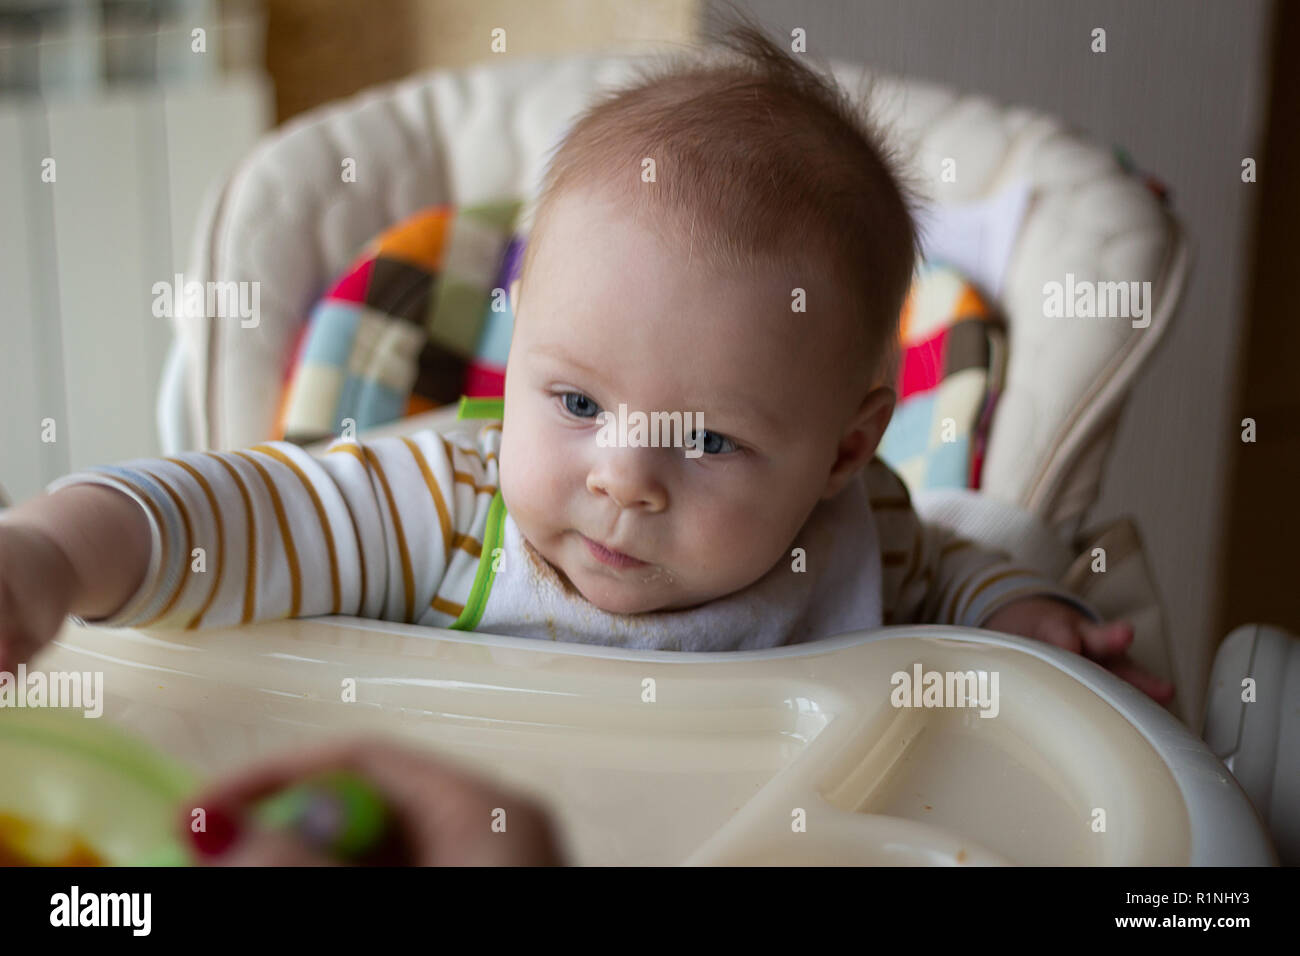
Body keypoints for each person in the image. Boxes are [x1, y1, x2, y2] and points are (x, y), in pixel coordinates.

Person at [0, 26, 1172, 703]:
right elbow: (237, 514)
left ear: (847, 448)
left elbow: (945, 577)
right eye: (572, 400)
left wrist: (1021, 613)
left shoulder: (859, 532)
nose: (623, 478)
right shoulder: (449, 507)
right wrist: (52, 553)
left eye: (708, 439)